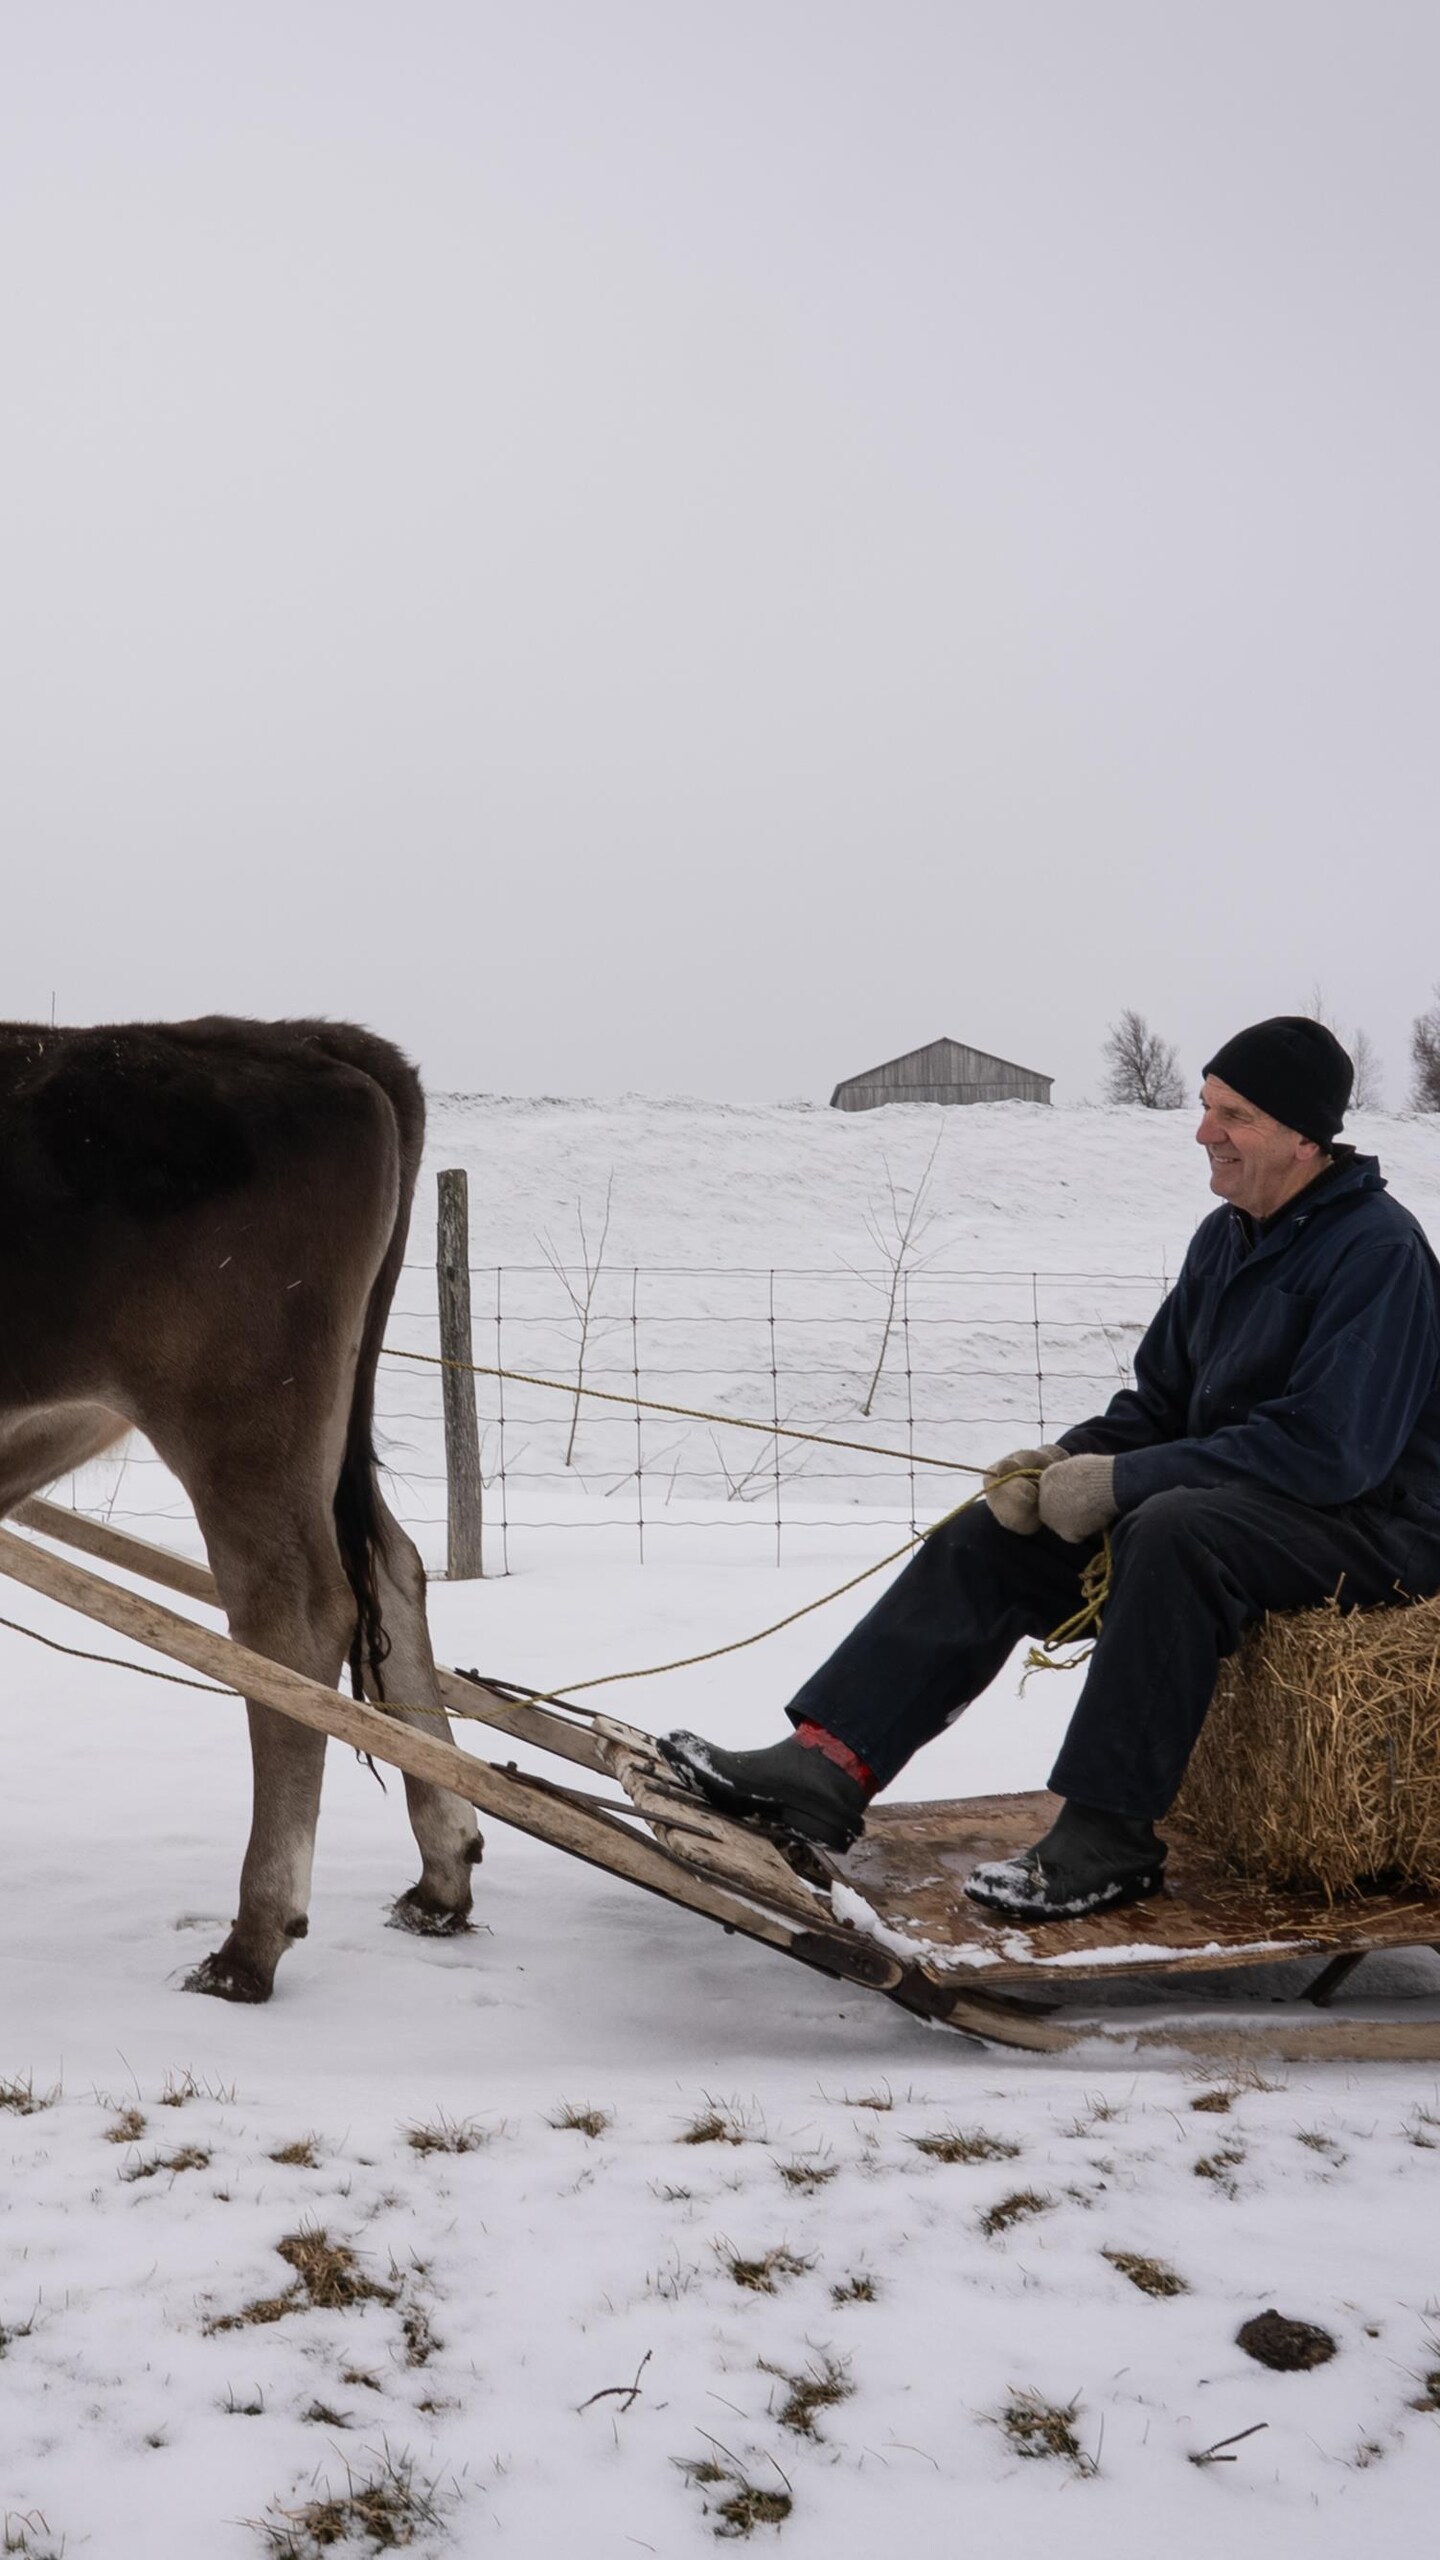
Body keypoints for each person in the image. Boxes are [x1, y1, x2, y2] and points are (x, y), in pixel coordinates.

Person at [661, 1017, 1440, 1921]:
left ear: (1305, 1137)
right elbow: (1159, 1407)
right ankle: (826, 1766)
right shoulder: (1226, 1238)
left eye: (1235, 1115)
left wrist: (1126, 1484)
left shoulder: (1377, 1251)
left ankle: (1110, 1835)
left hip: (1377, 1531)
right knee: (995, 1533)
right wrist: (1065, 1461)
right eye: (1206, 1107)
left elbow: (1329, 1450)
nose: (1205, 1132)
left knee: (1173, 1530)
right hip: (1247, 1510)